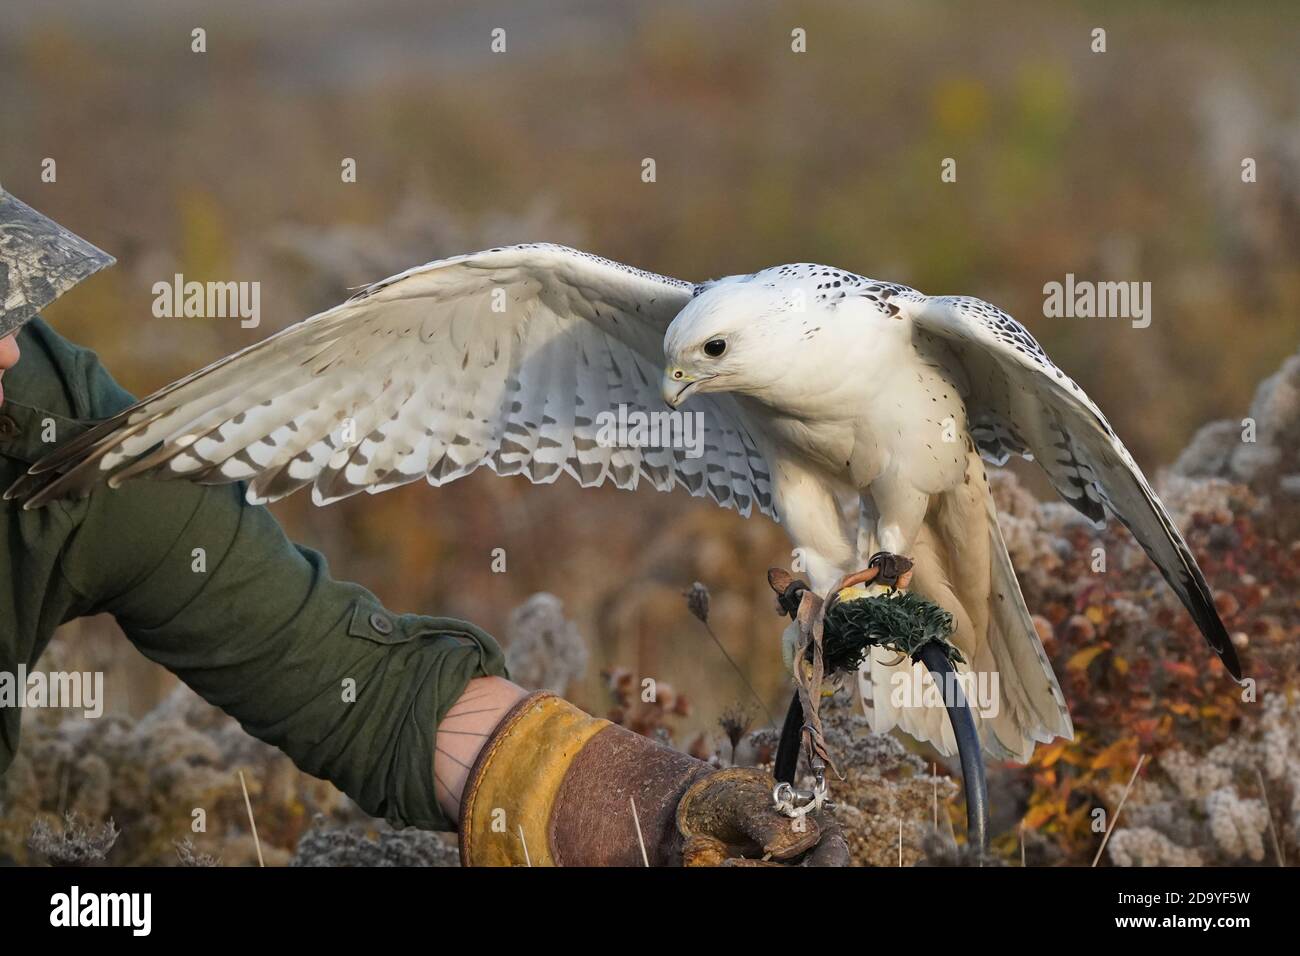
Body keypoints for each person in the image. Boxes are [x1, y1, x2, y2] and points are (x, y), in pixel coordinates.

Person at [0, 187, 845, 866]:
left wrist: (666, 811)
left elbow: (365, 689)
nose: (7, 347)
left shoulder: (51, 440)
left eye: (8, 306)